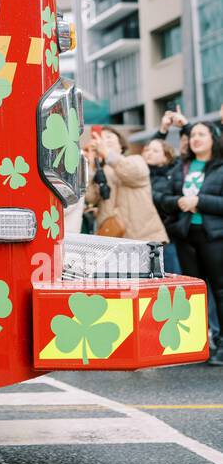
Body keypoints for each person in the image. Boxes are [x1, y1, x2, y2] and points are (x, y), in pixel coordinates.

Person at [162, 121, 223, 365]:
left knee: (220, 291)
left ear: (213, 138)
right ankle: (197, 344)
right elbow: (163, 197)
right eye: (193, 134)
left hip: (214, 237)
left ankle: (221, 344)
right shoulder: (181, 167)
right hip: (186, 235)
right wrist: (178, 202)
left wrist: (199, 201)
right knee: (193, 293)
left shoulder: (220, 167)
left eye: (201, 134)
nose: (196, 138)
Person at [85, 126, 170, 244]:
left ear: (121, 145)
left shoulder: (136, 160)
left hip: (142, 238)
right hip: (112, 237)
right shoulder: (101, 171)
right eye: (101, 138)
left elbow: (132, 172)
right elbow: (90, 198)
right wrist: (91, 165)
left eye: (109, 137)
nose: (104, 141)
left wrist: (107, 154)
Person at [143, 136, 181, 272]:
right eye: (148, 149)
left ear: (166, 157)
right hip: (145, 234)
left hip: (166, 235)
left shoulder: (173, 175)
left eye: (155, 150)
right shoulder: (142, 174)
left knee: (171, 275)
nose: (149, 152)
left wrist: (146, 194)